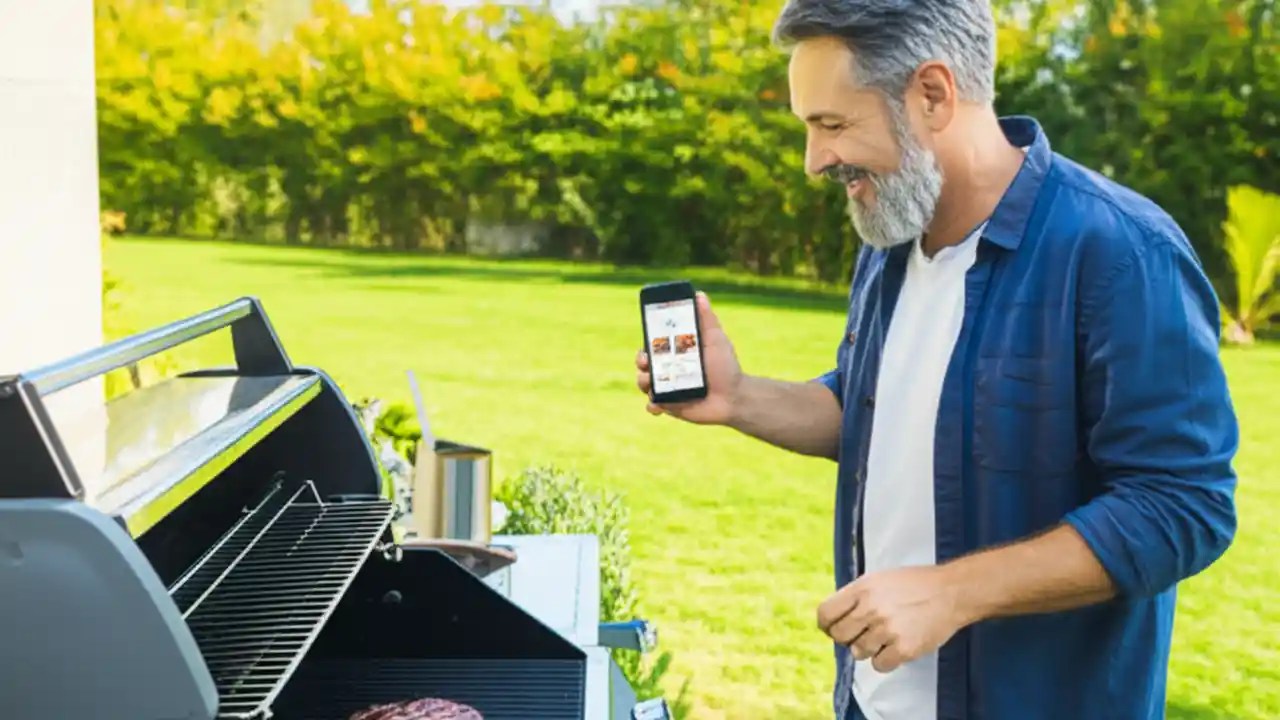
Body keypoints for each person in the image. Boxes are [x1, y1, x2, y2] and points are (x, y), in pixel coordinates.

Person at [633, 1, 1240, 719]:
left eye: (833, 124)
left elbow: (1182, 505)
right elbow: (876, 408)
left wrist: (952, 593)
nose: (814, 160)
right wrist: (739, 397)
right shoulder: (890, 238)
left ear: (932, 94)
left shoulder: (1120, 253)